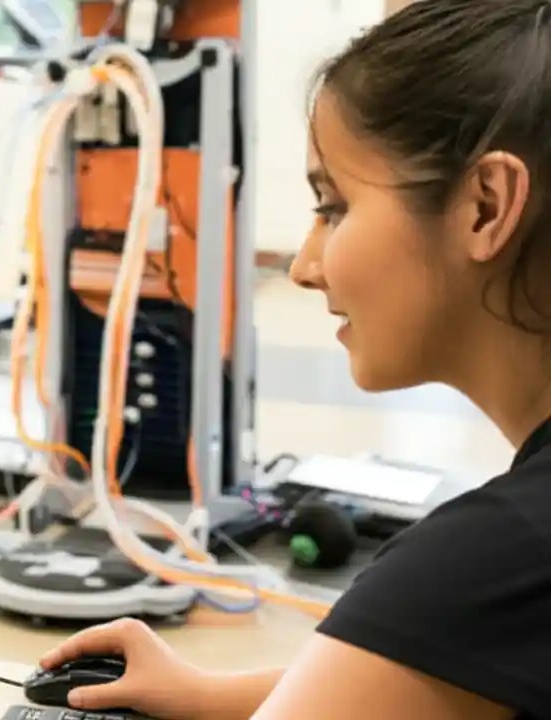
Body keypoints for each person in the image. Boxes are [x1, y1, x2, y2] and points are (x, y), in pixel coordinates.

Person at [37, 1, 551, 718]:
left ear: (486, 208)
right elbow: (448, 668)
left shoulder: (490, 562)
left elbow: (453, 629)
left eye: (334, 207)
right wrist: (206, 694)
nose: (305, 266)